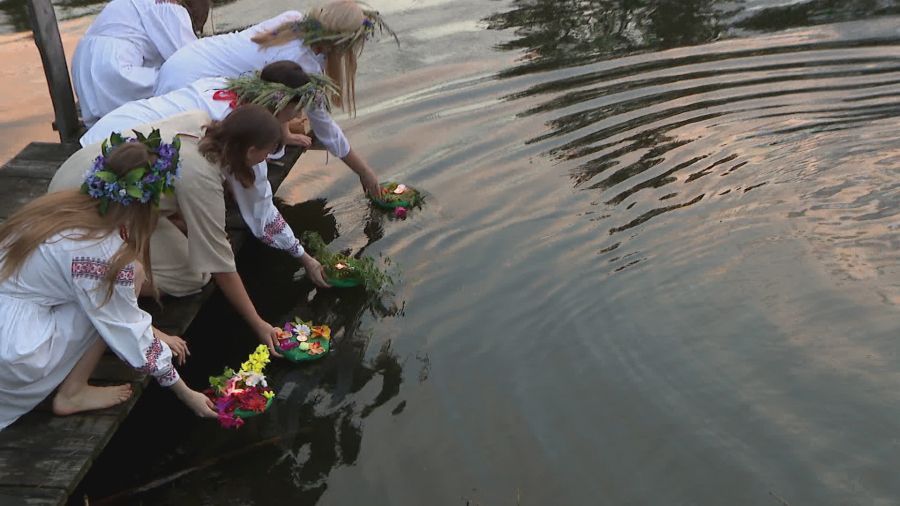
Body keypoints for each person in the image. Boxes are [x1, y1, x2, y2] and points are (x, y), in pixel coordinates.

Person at [50, 106, 329, 356]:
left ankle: (129, 248)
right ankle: (103, 280)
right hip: (84, 207)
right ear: (249, 152)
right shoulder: (202, 175)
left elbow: (167, 182)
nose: (265, 160)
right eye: (266, 154)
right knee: (192, 278)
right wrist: (258, 324)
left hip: (78, 170)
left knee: (195, 252)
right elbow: (221, 264)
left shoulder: (200, 121)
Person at [0, 139, 218, 430]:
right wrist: (186, 394)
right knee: (115, 293)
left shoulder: (60, 207)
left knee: (109, 290)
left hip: (12, 310)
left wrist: (148, 327)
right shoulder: (103, 252)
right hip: (14, 351)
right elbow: (124, 327)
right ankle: (73, 392)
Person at [79, 63, 334, 296]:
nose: (289, 124)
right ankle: (103, 278)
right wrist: (305, 257)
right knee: (194, 276)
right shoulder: (233, 142)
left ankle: (165, 219)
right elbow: (262, 214)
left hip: (108, 131)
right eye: (288, 119)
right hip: (112, 166)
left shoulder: (223, 88)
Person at [155, 1, 398, 197]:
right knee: (213, 146)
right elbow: (326, 129)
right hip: (191, 83)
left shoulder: (293, 19)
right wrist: (364, 172)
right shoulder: (304, 66)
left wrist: (285, 133)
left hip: (185, 59)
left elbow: (275, 86)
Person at [72, 0, 211, 126]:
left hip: (84, 68)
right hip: (114, 71)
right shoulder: (170, 9)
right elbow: (190, 60)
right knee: (179, 84)